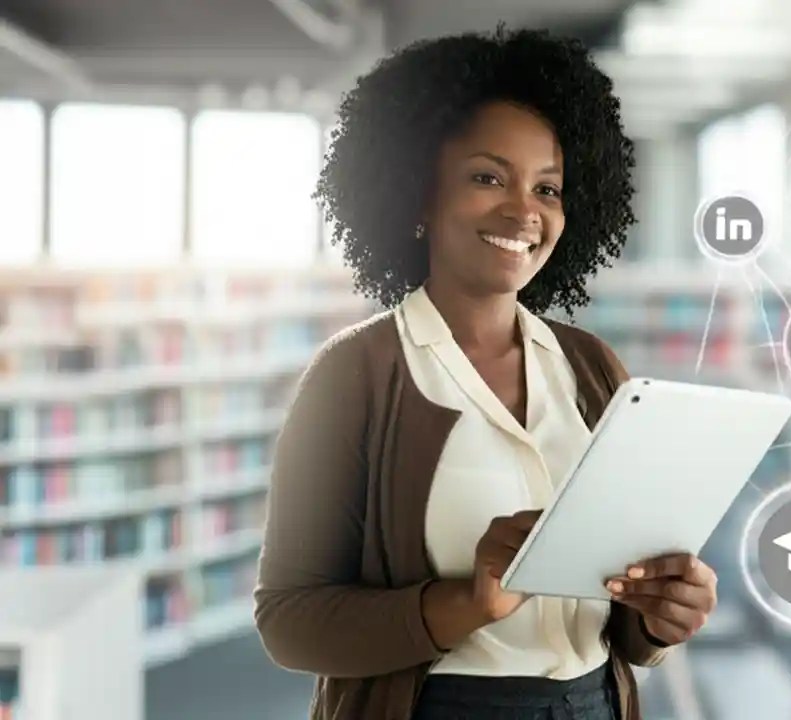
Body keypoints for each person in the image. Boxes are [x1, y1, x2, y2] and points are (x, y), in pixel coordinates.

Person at [253, 25, 719, 720]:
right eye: (486, 176)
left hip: (593, 703)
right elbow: (288, 621)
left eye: (549, 188)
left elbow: (619, 610)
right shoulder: (355, 375)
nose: (524, 210)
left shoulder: (590, 367)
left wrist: (659, 617)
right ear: (417, 194)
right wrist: (463, 604)